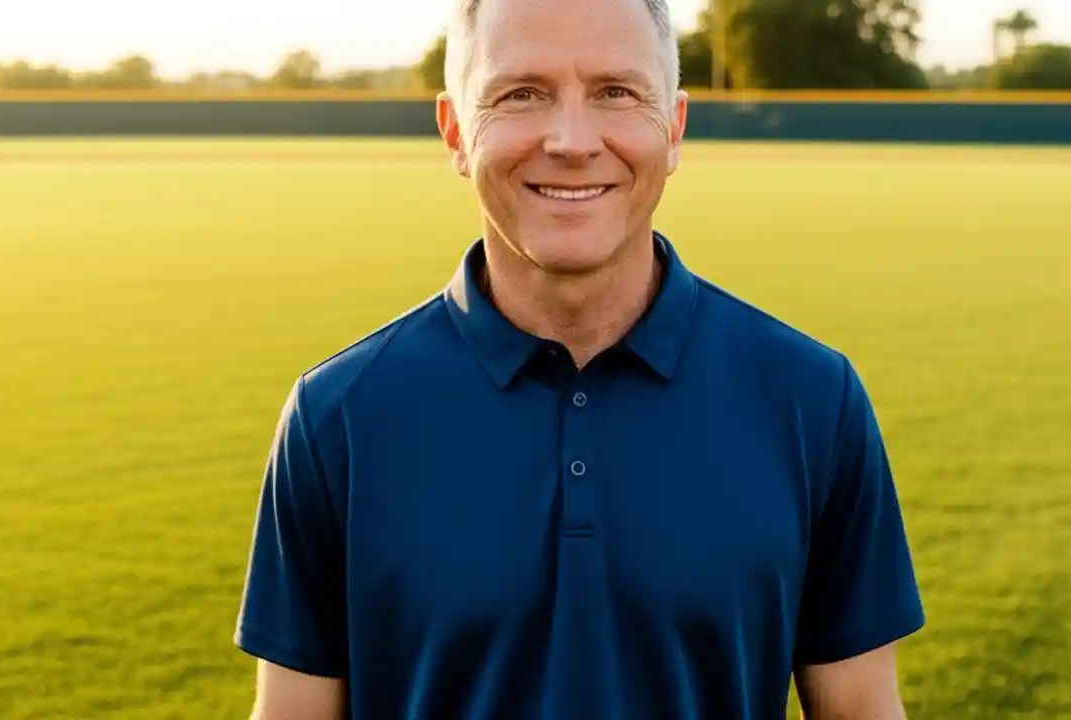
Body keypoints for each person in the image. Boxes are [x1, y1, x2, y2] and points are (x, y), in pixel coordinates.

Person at [234, 0, 925, 716]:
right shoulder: (338, 416)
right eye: (521, 94)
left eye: (616, 93)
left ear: (675, 129)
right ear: (456, 133)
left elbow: (862, 708)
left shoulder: (811, 398)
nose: (570, 139)